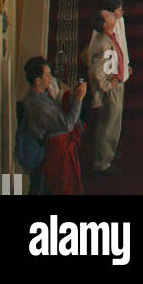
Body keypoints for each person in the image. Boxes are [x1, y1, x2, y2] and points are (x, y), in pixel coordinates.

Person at [22, 56, 87, 194]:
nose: (50, 79)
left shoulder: (38, 95)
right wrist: (79, 100)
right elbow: (68, 124)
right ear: (38, 81)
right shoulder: (38, 105)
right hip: (53, 153)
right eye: (48, 75)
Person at [88, 8, 126, 175]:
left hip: (116, 83)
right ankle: (103, 163)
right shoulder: (102, 43)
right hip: (111, 90)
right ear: (105, 24)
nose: (113, 15)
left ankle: (108, 153)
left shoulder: (108, 38)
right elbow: (97, 72)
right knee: (108, 125)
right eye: (109, 15)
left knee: (113, 123)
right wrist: (108, 85)